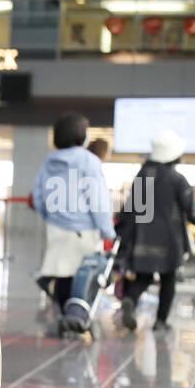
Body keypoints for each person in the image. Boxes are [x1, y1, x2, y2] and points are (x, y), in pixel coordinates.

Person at [115, 128, 195, 333]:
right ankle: (160, 321)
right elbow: (193, 211)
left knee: (144, 276)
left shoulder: (143, 174)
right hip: (170, 239)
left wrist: (122, 234)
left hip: (142, 238)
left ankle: (131, 301)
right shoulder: (176, 179)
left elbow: (131, 209)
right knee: (168, 279)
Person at [30, 113, 115, 313]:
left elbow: (38, 196)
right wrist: (107, 230)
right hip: (83, 230)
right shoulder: (89, 161)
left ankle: (62, 316)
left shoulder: (49, 161)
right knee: (83, 276)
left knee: (62, 274)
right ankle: (76, 317)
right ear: (81, 135)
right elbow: (97, 199)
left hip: (56, 228)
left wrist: (50, 217)